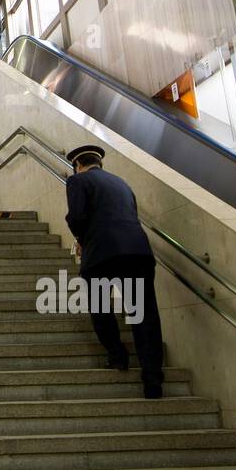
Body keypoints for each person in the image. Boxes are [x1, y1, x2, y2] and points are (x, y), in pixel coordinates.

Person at [64, 144, 165, 399]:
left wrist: (82, 240)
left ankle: (118, 355)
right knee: (144, 314)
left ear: (77, 165)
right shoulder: (122, 184)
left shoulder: (77, 181)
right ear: (100, 164)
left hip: (102, 254)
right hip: (137, 252)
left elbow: (76, 217)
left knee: (100, 308)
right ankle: (152, 379)